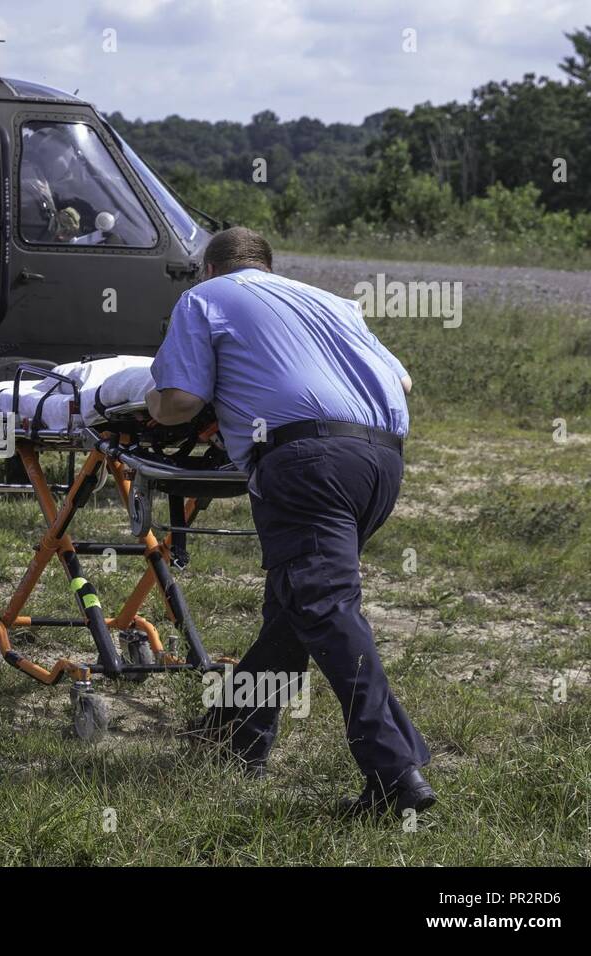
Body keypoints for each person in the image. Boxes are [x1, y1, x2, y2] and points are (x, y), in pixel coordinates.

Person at [146, 226, 433, 818]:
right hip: (382, 462)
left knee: (324, 608)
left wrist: (152, 401)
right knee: (293, 609)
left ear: (209, 270)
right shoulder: (332, 303)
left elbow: (179, 402)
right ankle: (233, 737)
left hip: (308, 463)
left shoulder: (206, 299)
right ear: (269, 267)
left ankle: (395, 773)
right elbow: (403, 381)